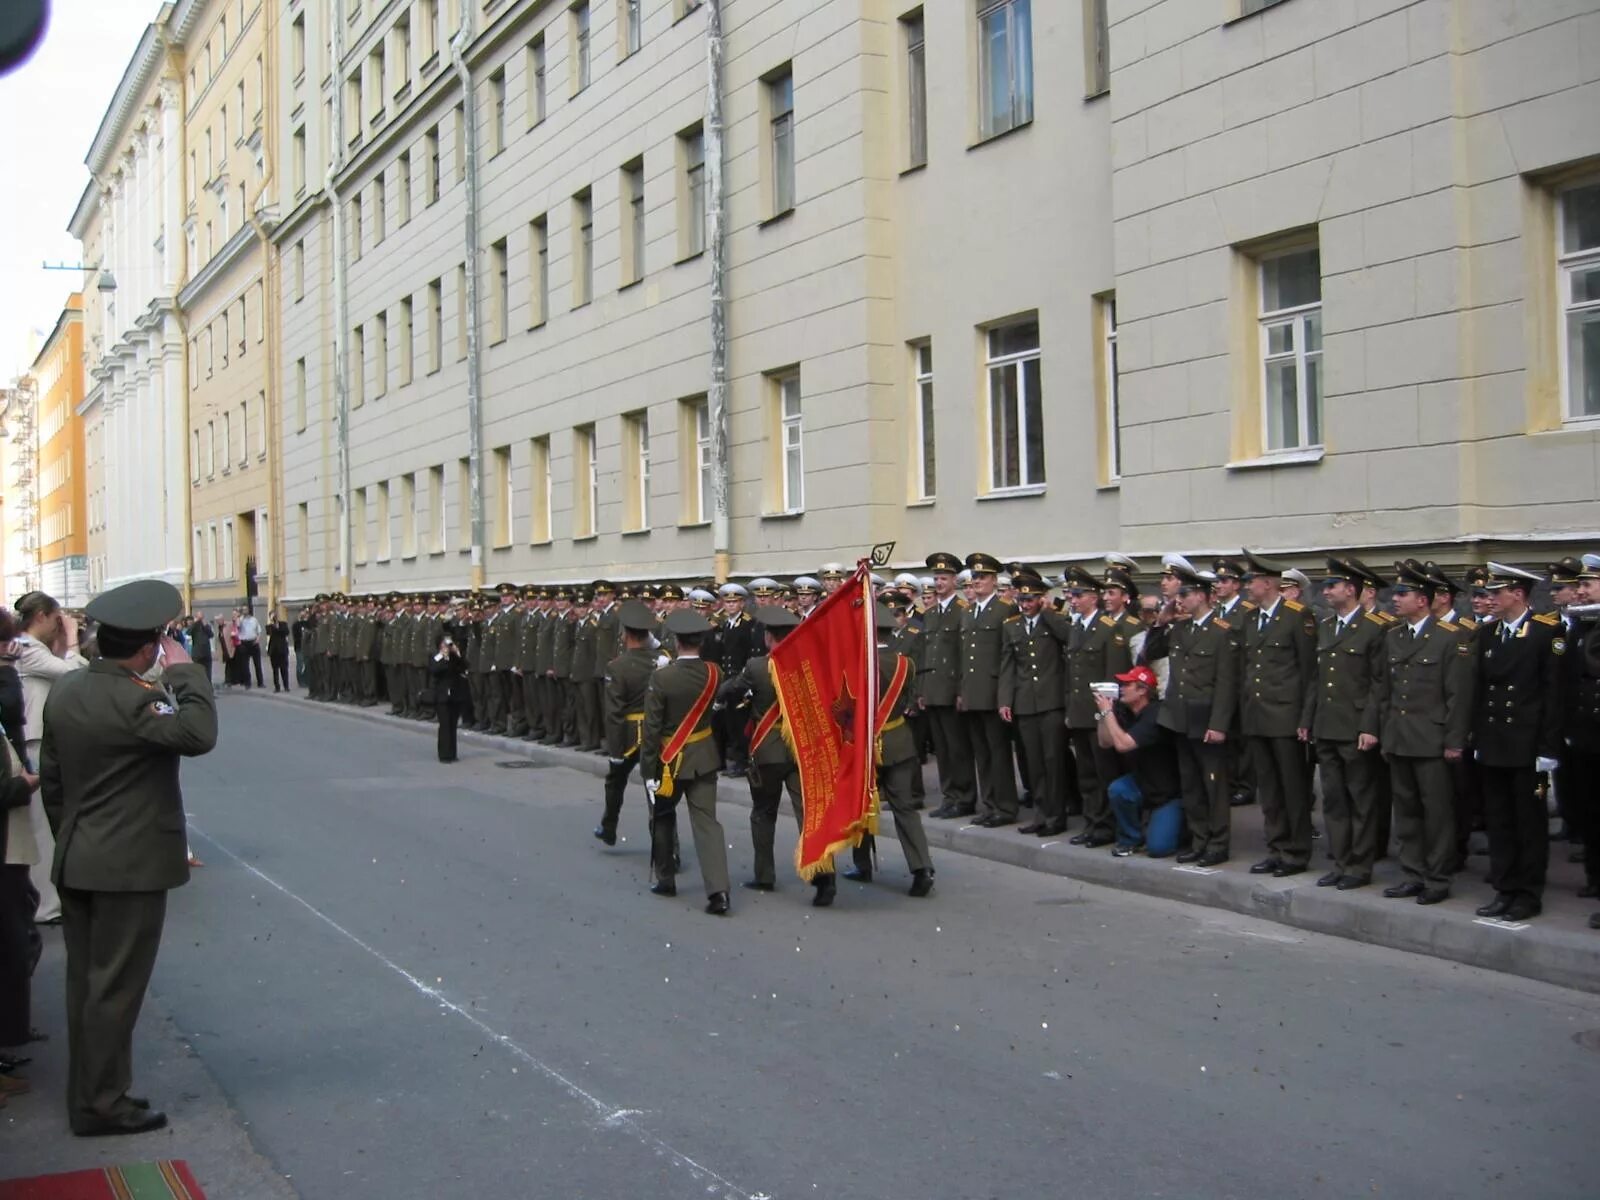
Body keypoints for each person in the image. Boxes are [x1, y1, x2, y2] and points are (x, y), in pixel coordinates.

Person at [39, 578, 217, 1137]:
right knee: (115, 990)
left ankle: (89, 1095)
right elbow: (198, 732)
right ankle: (102, 1104)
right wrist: (185, 670)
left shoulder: (67, 691)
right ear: (146, 650)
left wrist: (71, 837)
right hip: (127, 868)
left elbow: (52, 781)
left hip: (79, 858)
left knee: (87, 989)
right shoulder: (138, 698)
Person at [1374, 560, 1472, 906]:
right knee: (1407, 813)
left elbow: (1457, 697)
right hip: (1400, 738)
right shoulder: (1393, 637)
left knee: (1438, 816)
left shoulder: (1449, 638)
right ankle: (1412, 873)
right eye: (1395, 593)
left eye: (1403, 593)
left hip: (1432, 742)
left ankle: (1438, 877)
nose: (1394, 599)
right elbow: (1384, 692)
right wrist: (1385, 733)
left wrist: (1453, 742)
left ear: (1423, 600)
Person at [1471, 563, 1562, 922]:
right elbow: (1481, 691)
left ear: (1518, 594)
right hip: (1495, 742)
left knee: (1529, 824)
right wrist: (1478, 737)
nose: (1489, 599)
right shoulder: (1489, 634)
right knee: (1499, 820)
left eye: (1496, 593)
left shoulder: (1545, 634)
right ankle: (1505, 888)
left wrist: (1549, 749)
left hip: (1529, 747)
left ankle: (1528, 894)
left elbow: (1554, 696)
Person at [718, 606, 823, 899]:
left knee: (764, 813)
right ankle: (822, 874)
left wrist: (720, 691)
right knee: (807, 814)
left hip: (767, 751)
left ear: (767, 637)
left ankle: (764, 875)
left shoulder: (755, 667)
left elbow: (732, 690)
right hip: (800, 749)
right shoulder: (806, 665)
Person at [1305, 556, 1390, 890]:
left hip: (1355, 728)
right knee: (1334, 799)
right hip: (1327, 725)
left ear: (1351, 590)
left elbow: (1378, 683)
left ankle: (1360, 865)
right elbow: (1317, 679)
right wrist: (1307, 720)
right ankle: (1341, 861)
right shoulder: (1326, 627)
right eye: (1326, 586)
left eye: (1333, 586)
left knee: (1361, 799)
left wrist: (1369, 726)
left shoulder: (1374, 628)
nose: (1326, 591)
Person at [640, 608, 730, 915]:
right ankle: (719, 891)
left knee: (663, 817)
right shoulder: (715, 672)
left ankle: (666, 879)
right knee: (707, 823)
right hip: (704, 756)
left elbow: (651, 728)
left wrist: (648, 769)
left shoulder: (662, 677)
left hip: (669, 760)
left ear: (677, 642)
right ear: (701, 642)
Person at [1238, 550, 1318, 879]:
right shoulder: (1251, 618)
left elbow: (1309, 671)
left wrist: (1305, 719)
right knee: (1269, 791)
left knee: (1293, 789)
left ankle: (1296, 851)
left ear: (1267, 583)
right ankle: (1276, 846)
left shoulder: (1298, 617)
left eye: (1250, 581)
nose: (1246, 587)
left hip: (1286, 718)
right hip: (1258, 716)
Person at [14, 591, 89, 926]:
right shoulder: (27, 649)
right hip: (35, 741)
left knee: (48, 820)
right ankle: (47, 905)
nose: (61, 625)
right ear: (41, 616)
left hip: (43, 739)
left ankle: (48, 898)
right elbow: (73, 675)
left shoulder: (34, 648)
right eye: (57, 618)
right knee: (42, 825)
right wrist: (72, 639)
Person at [1158, 561, 1237, 866]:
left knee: (1213, 785)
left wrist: (1219, 724)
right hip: (1180, 718)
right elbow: (1150, 652)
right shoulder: (1179, 629)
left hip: (1206, 720)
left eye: (1186, 593)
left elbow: (1227, 684)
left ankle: (1218, 843)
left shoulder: (1222, 632)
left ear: (1203, 596)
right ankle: (1199, 838)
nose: (1180, 599)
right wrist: (1161, 621)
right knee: (1190, 785)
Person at [1094, 666, 1182, 856]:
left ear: (1142, 690)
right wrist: (1103, 714)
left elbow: (1123, 744)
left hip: (1167, 794)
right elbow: (1105, 742)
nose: (1121, 688)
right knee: (1118, 789)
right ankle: (1130, 839)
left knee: (1159, 849)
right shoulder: (1126, 712)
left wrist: (1108, 713)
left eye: (1127, 684)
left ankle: (1180, 828)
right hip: (1143, 783)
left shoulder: (1156, 713)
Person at [595, 601, 658, 847]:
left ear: (626, 635)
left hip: (629, 735)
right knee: (655, 791)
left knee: (615, 781)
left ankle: (609, 826)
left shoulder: (617, 666)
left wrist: (615, 751)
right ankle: (667, 847)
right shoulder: (662, 660)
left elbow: (614, 713)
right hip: (656, 731)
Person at [920, 552, 977, 821]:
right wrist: (921, 690)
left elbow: (965, 654)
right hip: (933, 689)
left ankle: (964, 797)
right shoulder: (930, 614)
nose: (939, 583)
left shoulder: (962, 611)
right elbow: (925, 654)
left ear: (954, 580)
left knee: (957, 748)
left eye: (943, 578)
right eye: (936, 578)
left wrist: (961, 690)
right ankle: (949, 795)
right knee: (942, 748)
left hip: (952, 689)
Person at [431, 632, 468, 763]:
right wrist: (443, 655)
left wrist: (457, 653)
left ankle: (452, 753)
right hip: (442, 696)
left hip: (455, 694)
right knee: (445, 725)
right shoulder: (436, 657)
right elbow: (435, 670)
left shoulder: (454, 657)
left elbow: (463, 667)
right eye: (444, 643)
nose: (446, 645)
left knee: (453, 725)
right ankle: (444, 754)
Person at [236, 608, 264, 688]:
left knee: (257, 664)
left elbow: (259, 630)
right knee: (245, 664)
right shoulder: (240, 620)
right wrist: (238, 617)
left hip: (254, 642)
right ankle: (247, 682)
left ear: (248, 610)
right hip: (244, 643)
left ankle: (260, 682)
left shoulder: (254, 619)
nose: (245, 611)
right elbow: (237, 627)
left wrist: (258, 639)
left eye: (246, 609)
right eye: (243, 609)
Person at [267, 614, 292, 692]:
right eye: (271, 616)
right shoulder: (270, 626)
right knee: (275, 670)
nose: (273, 617)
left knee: (284, 669)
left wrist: (278, 627)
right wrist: (274, 626)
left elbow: (286, 632)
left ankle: (286, 686)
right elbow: (269, 633)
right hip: (274, 651)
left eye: (274, 615)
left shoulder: (283, 624)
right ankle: (277, 687)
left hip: (282, 650)